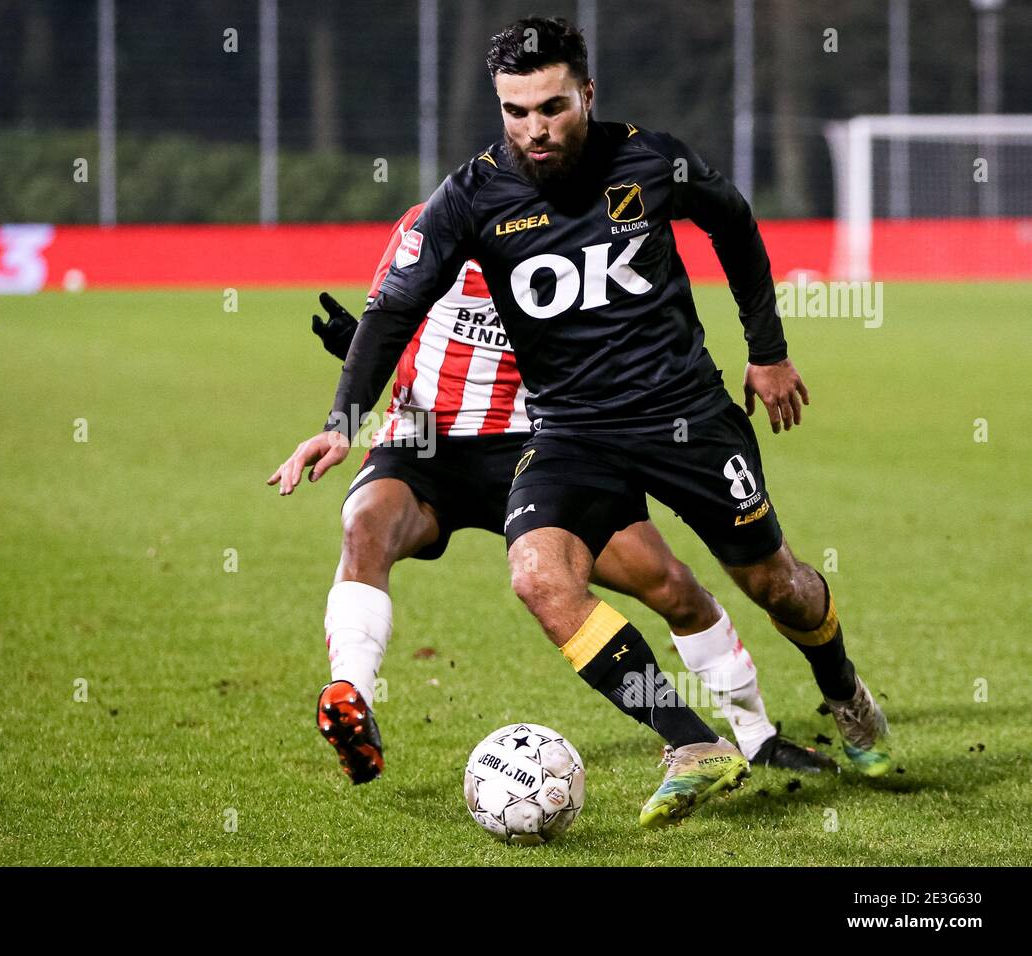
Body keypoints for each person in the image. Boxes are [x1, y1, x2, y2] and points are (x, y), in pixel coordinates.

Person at [270, 17, 889, 828]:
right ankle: (693, 744)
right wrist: (344, 417)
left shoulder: (650, 158)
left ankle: (843, 692)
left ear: (587, 95)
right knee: (537, 577)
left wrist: (767, 352)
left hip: (685, 416)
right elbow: (391, 311)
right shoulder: (471, 195)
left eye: (553, 107)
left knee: (780, 586)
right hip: (569, 432)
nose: (535, 128)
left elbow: (733, 221)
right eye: (516, 110)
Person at [284, 204, 834, 787]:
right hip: (424, 440)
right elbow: (389, 315)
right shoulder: (427, 225)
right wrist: (356, 377)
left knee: (672, 586)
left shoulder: (580, 236)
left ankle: (755, 738)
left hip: (537, 447)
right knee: (364, 527)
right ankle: (352, 696)